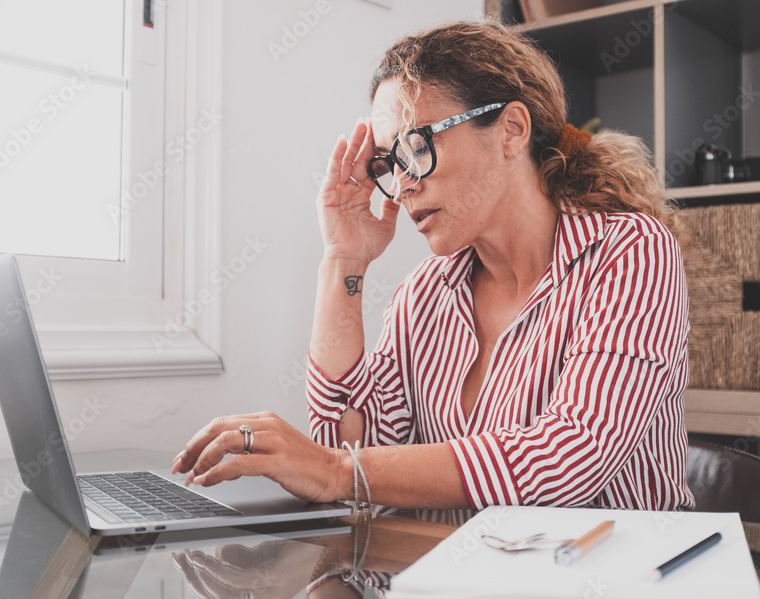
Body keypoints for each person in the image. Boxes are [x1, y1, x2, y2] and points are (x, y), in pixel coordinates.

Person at [173, 19, 693, 515]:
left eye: (416, 147)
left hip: (608, 593)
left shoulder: (630, 252)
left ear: (511, 130)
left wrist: (336, 470)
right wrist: (343, 261)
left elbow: (568, 460)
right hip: (454, 593)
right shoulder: (426, 292)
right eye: (389, 162)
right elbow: (356, 448)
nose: (402, 184)